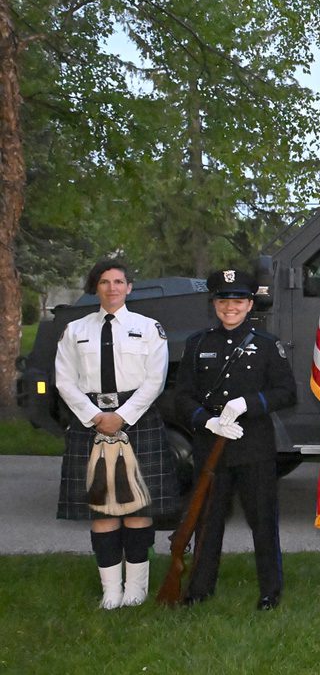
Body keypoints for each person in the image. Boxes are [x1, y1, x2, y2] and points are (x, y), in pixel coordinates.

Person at [56, 259, 178, 609]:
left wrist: (122, 416)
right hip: (90, 422)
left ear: (129, 287)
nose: (112, 288)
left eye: (119, 282)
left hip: (137, 421)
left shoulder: (150, 328)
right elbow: (64, 380)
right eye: (105, 282)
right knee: (102, 511)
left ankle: (136, 588)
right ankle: (111, 590)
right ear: (96, 287)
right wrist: (95, 416)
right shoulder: (75, 330)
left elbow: (156, 379)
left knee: (138, 508)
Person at [174, 268, 297, 610]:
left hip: (254, 445)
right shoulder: (197, 343)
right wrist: (207, 420)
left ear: (249, 304)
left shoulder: (267, 345)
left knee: (262, 520)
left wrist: (249, 403)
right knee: (207, 521)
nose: (231, 307)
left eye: (238, 300)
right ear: (214, 303)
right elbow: (182, 396)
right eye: (224, 300)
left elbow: (286, 393)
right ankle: (200, 588)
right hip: (210, 445)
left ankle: (270, 591)